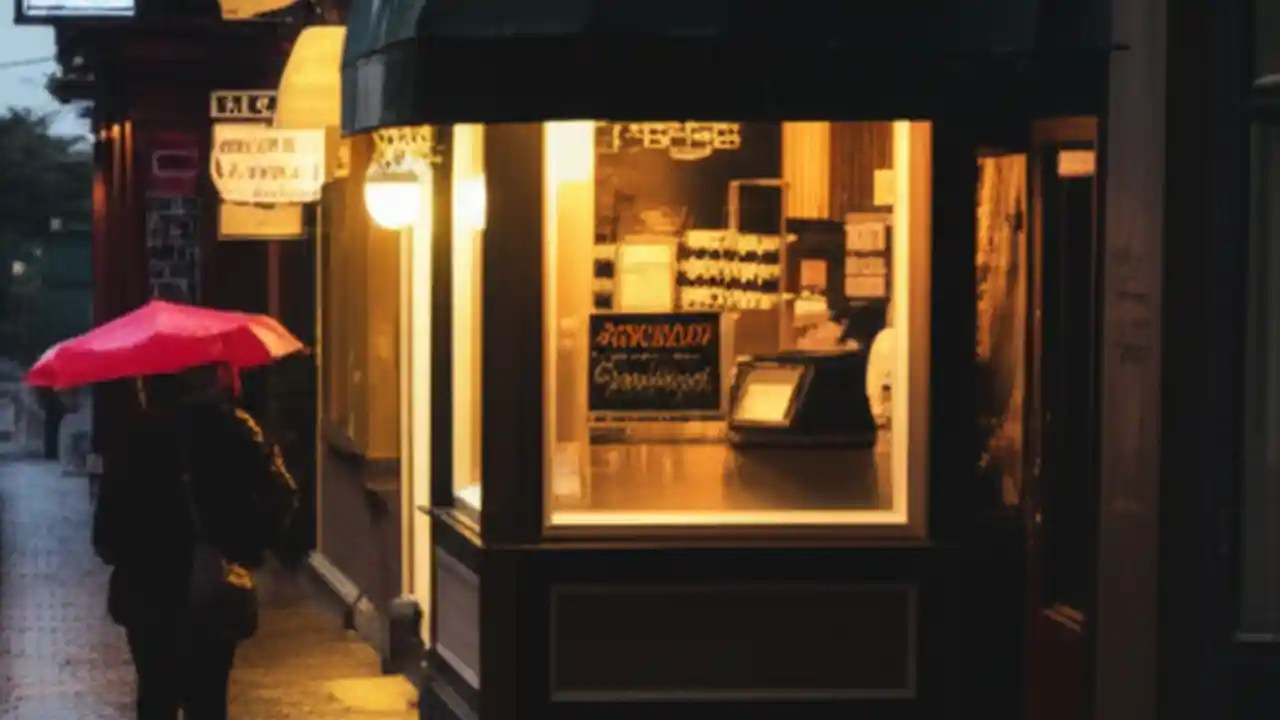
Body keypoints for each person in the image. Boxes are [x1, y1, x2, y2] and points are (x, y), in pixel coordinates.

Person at [93, 364, 298, 720]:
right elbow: (281, 495)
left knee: (156, 696)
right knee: (208, 700)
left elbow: (106, 536)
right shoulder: (234, 428)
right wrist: (247, 547)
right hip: (213, 590)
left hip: (148, 596)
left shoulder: (133, 437)